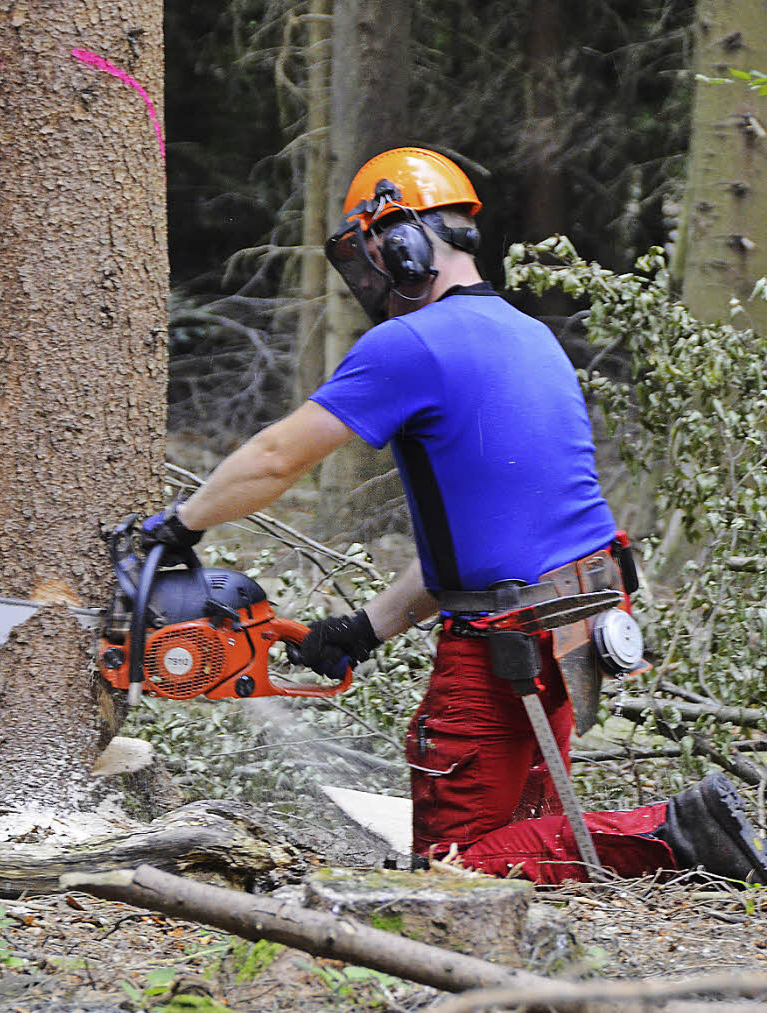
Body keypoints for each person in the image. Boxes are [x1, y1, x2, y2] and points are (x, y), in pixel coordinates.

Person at [142, 147, 767, 886]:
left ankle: (675, 831)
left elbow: (279, 456)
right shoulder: (531, 335)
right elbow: (487, 540)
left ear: (401, 241)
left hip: (511, 635)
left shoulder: (409, 343)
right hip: (577, 612)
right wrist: (363, 629)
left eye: (369, 253)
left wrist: (181, 524)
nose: (368, 277)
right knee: (527, 838)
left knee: (453, 865)